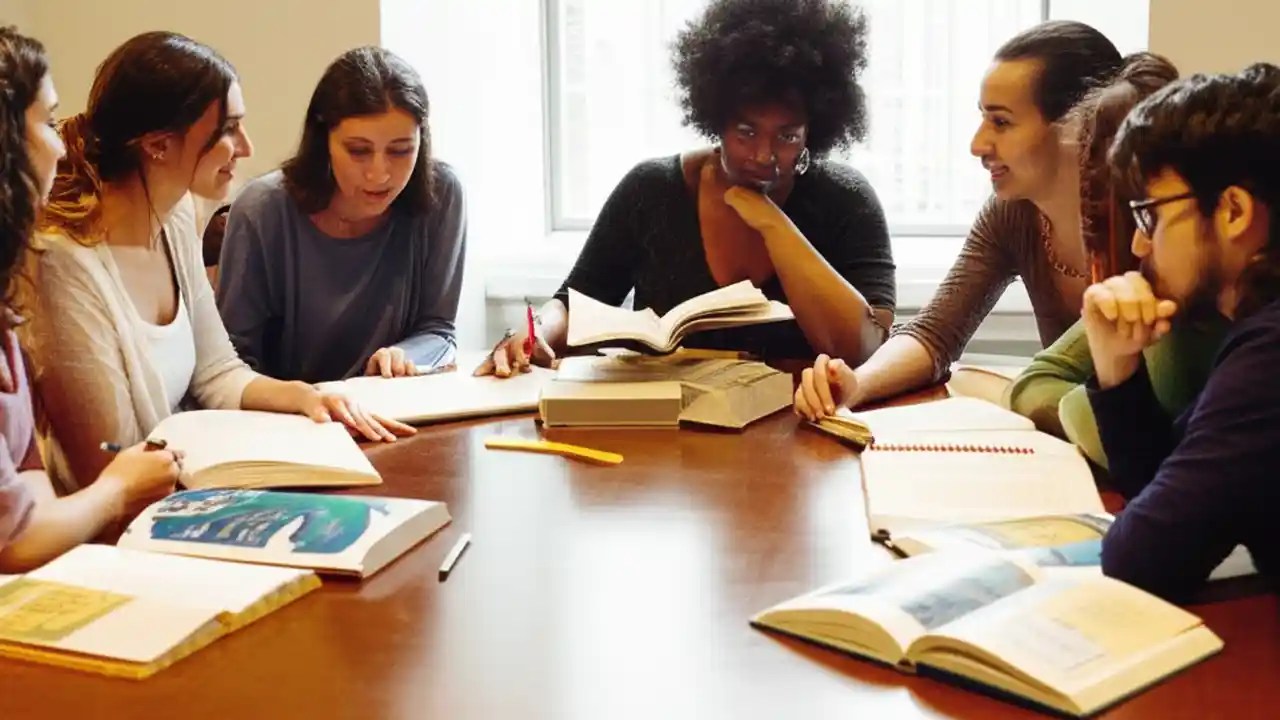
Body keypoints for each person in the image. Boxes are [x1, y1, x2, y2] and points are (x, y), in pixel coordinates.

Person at [26, 32, 413, 494]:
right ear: (158, 145)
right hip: (116, 527)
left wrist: (305, 396)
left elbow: (217, 373)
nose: (246, 147)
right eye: (229, 129)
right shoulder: (63, 264)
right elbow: (107, 461)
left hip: (181, 491)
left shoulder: (174, 217)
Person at [475, 0, 896, 377]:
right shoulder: (651, 190)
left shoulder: (845, 199)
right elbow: (573, 303)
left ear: (815, 129)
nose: (765, 155)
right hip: (670, 435)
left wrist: (774, 224)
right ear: (715, 117)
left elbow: (862, 349)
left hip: (803, 430)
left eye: (787, 137)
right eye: (745, 132)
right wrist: (532, 335)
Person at [794, 20, 1122, 420]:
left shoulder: (1145, 226)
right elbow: (934, 334)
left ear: (1079, 126)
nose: (977, 145)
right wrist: (857, 385)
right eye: (983, 118)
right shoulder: (1011, 213)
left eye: (1001, 122)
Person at [1088, 62, 1280, 600]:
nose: (1139, 246)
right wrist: (1117, 369)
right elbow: (1170, 497)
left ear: (1234, 211)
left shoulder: (1270, 354)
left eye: (1150, 217)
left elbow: (1140, 560)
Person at [0, 26, 181, 571]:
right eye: (49, 122)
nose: (62, 142)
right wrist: (118, 489)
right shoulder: (60, 260)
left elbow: (28, 486)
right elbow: (13, 541)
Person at [1006, 53, 1229, 470]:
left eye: (1151, 213)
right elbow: (1032, 385)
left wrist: (1101, 389)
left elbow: (1161, 466)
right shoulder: (1154, 286)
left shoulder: (1218, 321)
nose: (1141, 245)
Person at [217, 46, 465, 382]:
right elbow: (233, 358)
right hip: (289, 418)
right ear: (324, 140)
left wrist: (406, 355)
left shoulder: (442, 194)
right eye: (359, 151)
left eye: (401, 150)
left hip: (391, 412)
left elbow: (439, 330)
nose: (380, 174)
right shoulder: (263, 209)